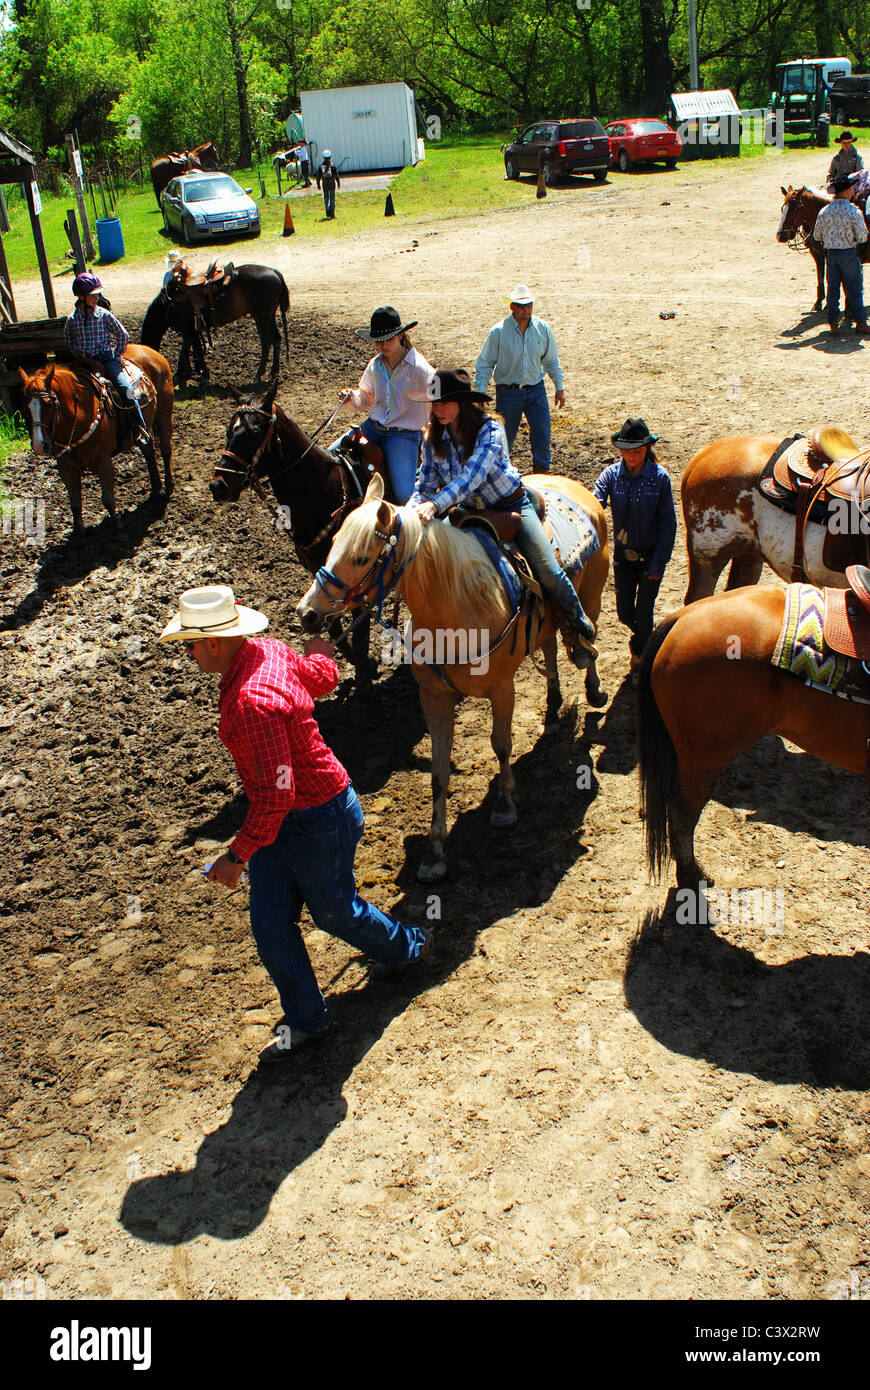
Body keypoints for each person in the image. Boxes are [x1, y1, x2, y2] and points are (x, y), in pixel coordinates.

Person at [157, 584, 430, 1066]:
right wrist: (321, 652)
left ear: (215, 642)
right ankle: (307, 1017)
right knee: (269, 924)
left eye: (191, 643)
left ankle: (407, 948)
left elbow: (275, 796)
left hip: (312, 820)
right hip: (297, 816)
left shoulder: (250, 703)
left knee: (334, 912)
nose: (189, 653)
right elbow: (322, 678)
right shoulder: (269, 651)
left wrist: (236, 855)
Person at [408, 368, 597, 658]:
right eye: (435, 403)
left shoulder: (490, 430)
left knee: (547, 569)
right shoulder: (433, 437)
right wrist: (407, 517)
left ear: (463, 403)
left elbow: (472, 476)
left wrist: (435, 505)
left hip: (510, 506)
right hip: (467, 510)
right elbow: (424, 485)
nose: (438, 409)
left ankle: (578, 622)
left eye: (445, 402)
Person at [593, 418, 676, 673]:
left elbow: (668, 524)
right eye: (627, 451)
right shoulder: (610, 475)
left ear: (646, 450)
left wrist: (659, 562)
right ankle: (647, 639)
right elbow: (596, 499)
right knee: (624, 612)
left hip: (651, 556)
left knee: (644, 612)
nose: (631, 456)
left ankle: (641, 654)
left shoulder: (660, 479)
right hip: (622, 556)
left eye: (637, 451)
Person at [338, 306, 435, 504]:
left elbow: (438, 397)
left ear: (400, 335)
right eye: (379, 341)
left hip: (403, 435)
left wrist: (433, 428)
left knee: (403, 495)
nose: (384, 345)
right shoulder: (375, 364)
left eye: (389, 339)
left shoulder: (419, 367)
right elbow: (366, 397)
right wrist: (351, 397)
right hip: (371, 428)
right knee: (331, 455)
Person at [474, 284, 565, 472]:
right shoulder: (498, 332)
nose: (526, 310)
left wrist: (559, 386)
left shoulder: (542, 329)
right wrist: (480, 392)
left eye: (529, 306)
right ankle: (500, 473)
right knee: (504, 437)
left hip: (536, 389)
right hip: (509, 392)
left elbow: (551, 360)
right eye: (522, 306)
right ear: (512, 307)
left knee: (542, 434)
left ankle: (542, 473)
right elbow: (485, 363)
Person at [63, 271, 150, 446]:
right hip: (83, 363)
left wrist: (116, 354)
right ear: (81, 296)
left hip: (105, 360)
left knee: (126, 388)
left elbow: (122, 335)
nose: (97, 298)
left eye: (97, 294)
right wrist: (78, 353)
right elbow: (69, 341)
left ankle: (140, 428)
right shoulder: (72, 320)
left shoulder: (104, 315)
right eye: (93, 295)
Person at [814, 174, 870, 335]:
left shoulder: (824, 211)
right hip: (849, 254)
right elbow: (862, 236)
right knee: (855, 289)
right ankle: (860, 322)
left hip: (831, 255)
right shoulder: (853, 211)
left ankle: (833, 323)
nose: (852, 190)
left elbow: (817, 235)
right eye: (851, 188)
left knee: (833, 289)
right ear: (846, 191)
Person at [316, 149, 340, 218]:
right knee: (332, 198)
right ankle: (332, 213)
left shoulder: (321, 166)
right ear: (330, 157)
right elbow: (336, 175)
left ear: (323, 157)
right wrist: (338, 183)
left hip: (325, 183)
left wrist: (318, 184)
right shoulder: (332, 165)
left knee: (326, 198)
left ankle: (327, 211)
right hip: (332, 183)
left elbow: (318, 176)